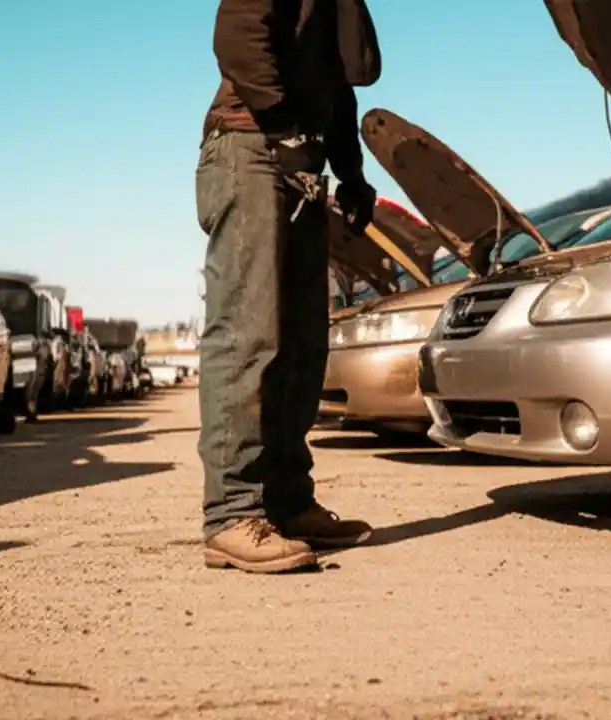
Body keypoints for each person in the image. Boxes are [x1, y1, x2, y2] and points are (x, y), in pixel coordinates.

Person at [195, 0, 382, 573]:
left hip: (303, 156)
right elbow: (237, 36)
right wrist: (282, 129)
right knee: (250, 334)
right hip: (250, 145)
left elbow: (339, 83)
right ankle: (232, 513)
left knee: (303, 341)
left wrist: (350, 173)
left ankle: (287, 502)